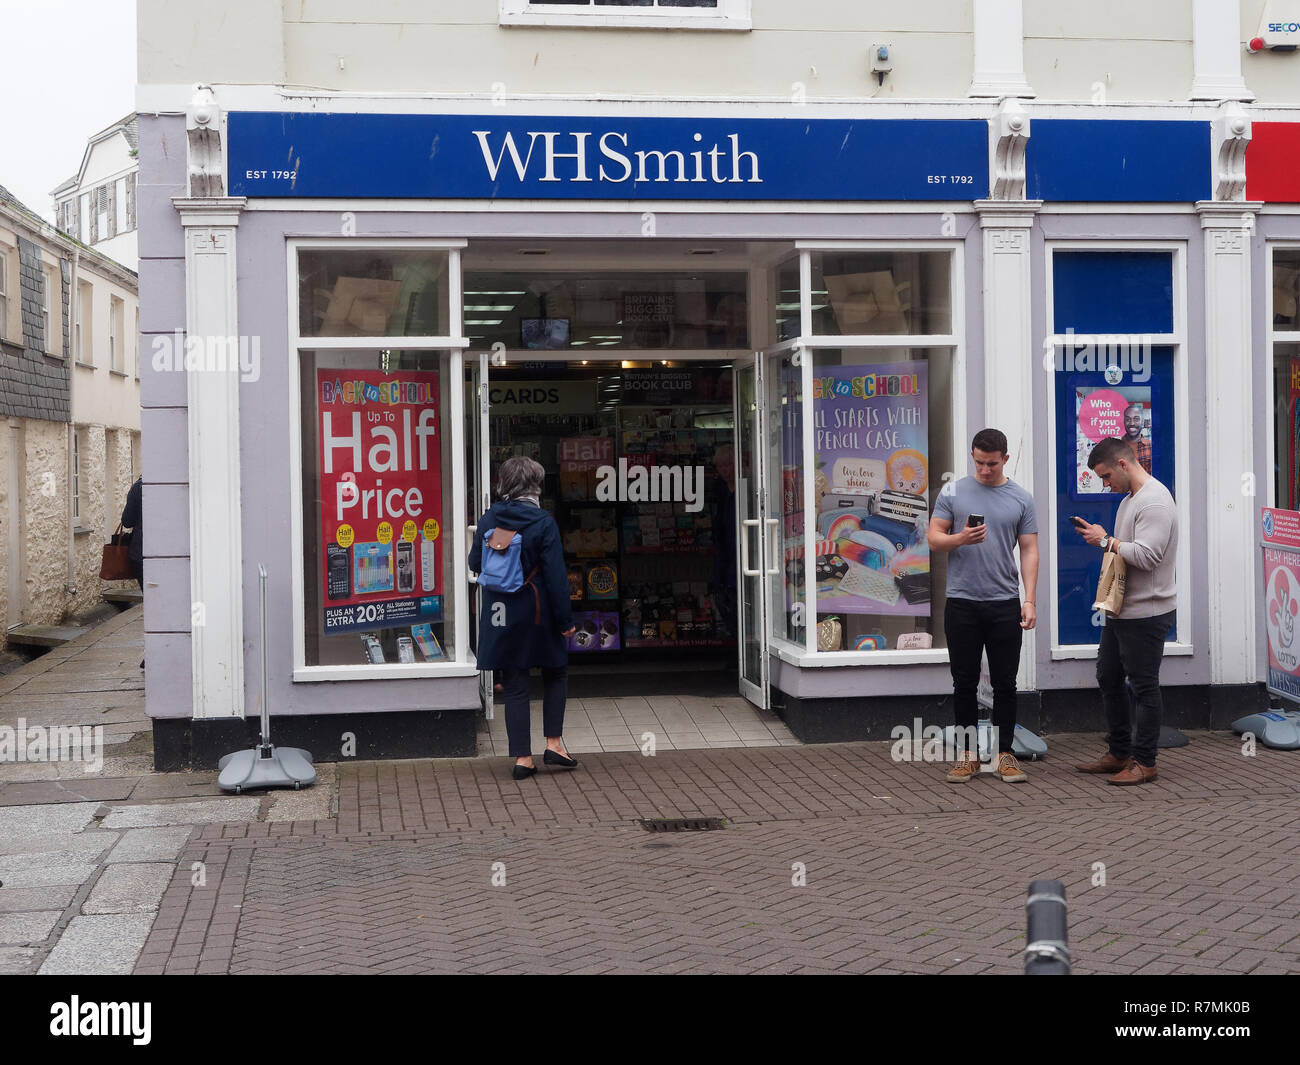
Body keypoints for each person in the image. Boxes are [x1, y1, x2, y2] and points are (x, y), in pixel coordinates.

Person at [928, 428, 1039, 784]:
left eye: (991, 463)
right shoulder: (953, 491)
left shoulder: (1021, 498)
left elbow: (1030, 550)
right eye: (978, 462)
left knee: (1006, 681)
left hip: (1004, 601)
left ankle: (1004, 754)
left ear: (1004, 459)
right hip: (962, 602)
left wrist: (1031, 600)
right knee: (964, 682)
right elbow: (933, 538)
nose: (985, 470)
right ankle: (968, 755)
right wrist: (960, 538)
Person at [1072, 436, 1178, 786]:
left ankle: (1145, 762)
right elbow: (1124, 554)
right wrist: (1108, 544)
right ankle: (1119, 752)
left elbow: (1148, 556)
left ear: (1122, 464)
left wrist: (1106, 541)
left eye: (1105, 476)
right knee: (1109, 675)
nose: (1105, 485)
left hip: (1146, 612)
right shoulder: (1130, 500)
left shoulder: (1155, 502)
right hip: (1121, 610)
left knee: (1144, 686)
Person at [468, 456, 577, 781]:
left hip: (502, 614)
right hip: (539, 612)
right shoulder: (542, 522)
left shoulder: (489, 520)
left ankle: (522, 758)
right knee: (555, 672)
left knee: (515, 684)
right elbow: (557, 578)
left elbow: (475, 562)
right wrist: (565, 620)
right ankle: (554, 744)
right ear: (535, 485)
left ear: (504, 485)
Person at [121, 476, 144, 669]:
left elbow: (127, 521)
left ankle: (152, 651)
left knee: (152, 604)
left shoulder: (139, 487)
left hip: (141, 553)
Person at [1123, 403, 1152, 472]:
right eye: (1128, 419)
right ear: (1124, 422)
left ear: (1142, 421)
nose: (1132, 423)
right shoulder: (1115, 447)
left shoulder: (1151, 447)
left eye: (1136, 419)